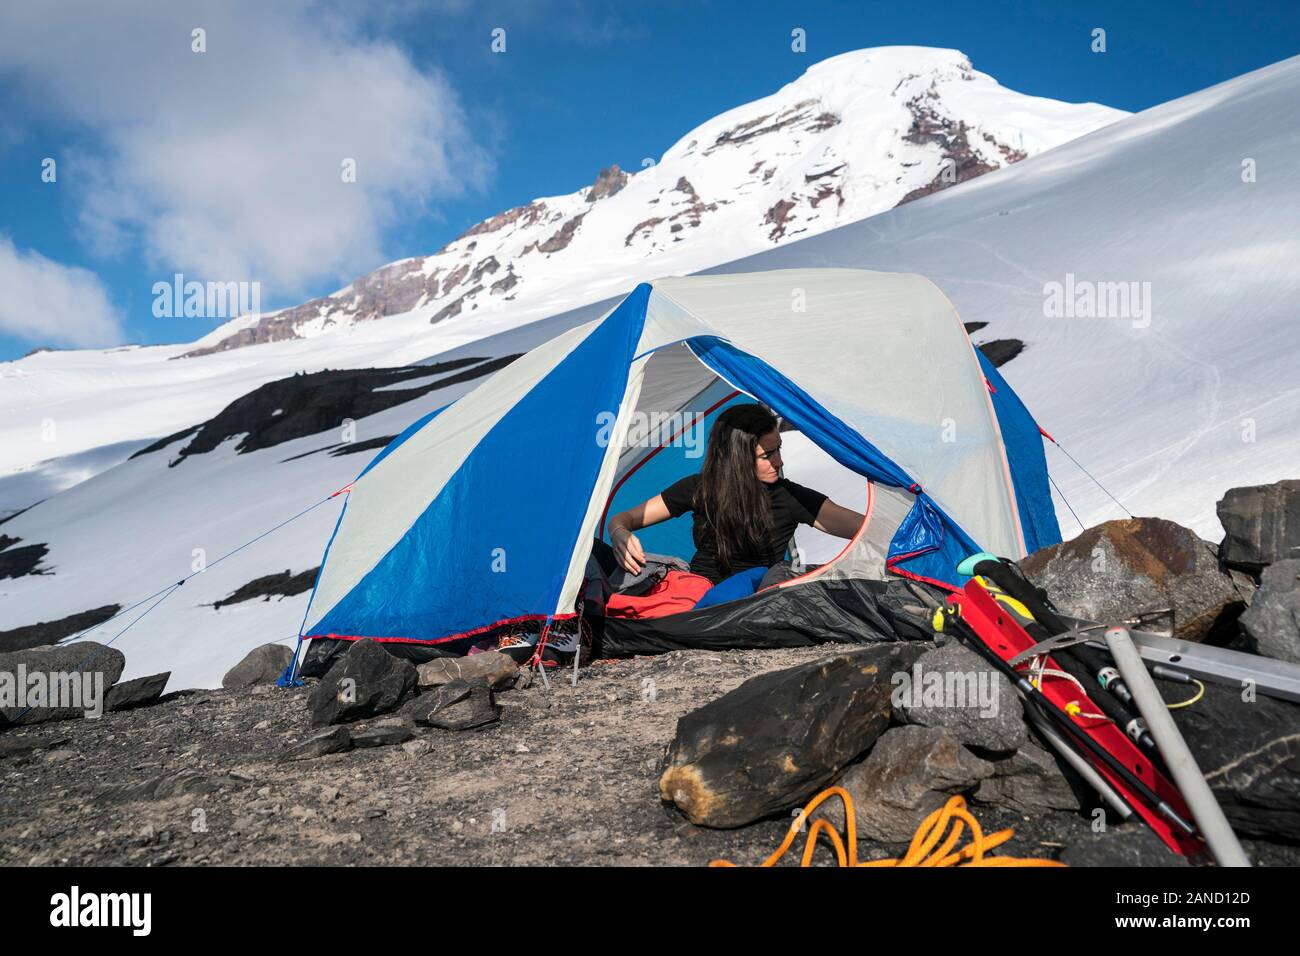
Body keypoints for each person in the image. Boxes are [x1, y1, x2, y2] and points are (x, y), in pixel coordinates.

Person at [606, 403, 864, 604]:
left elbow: (862, 527)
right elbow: (623, 519)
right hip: (697, 599)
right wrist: (619, 533)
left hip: (748, 604)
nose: (779, 462)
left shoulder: (789, 497)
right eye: (767, 455)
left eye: (779, 450)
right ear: (737, 458)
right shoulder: (700, 488)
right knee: (595, 557)